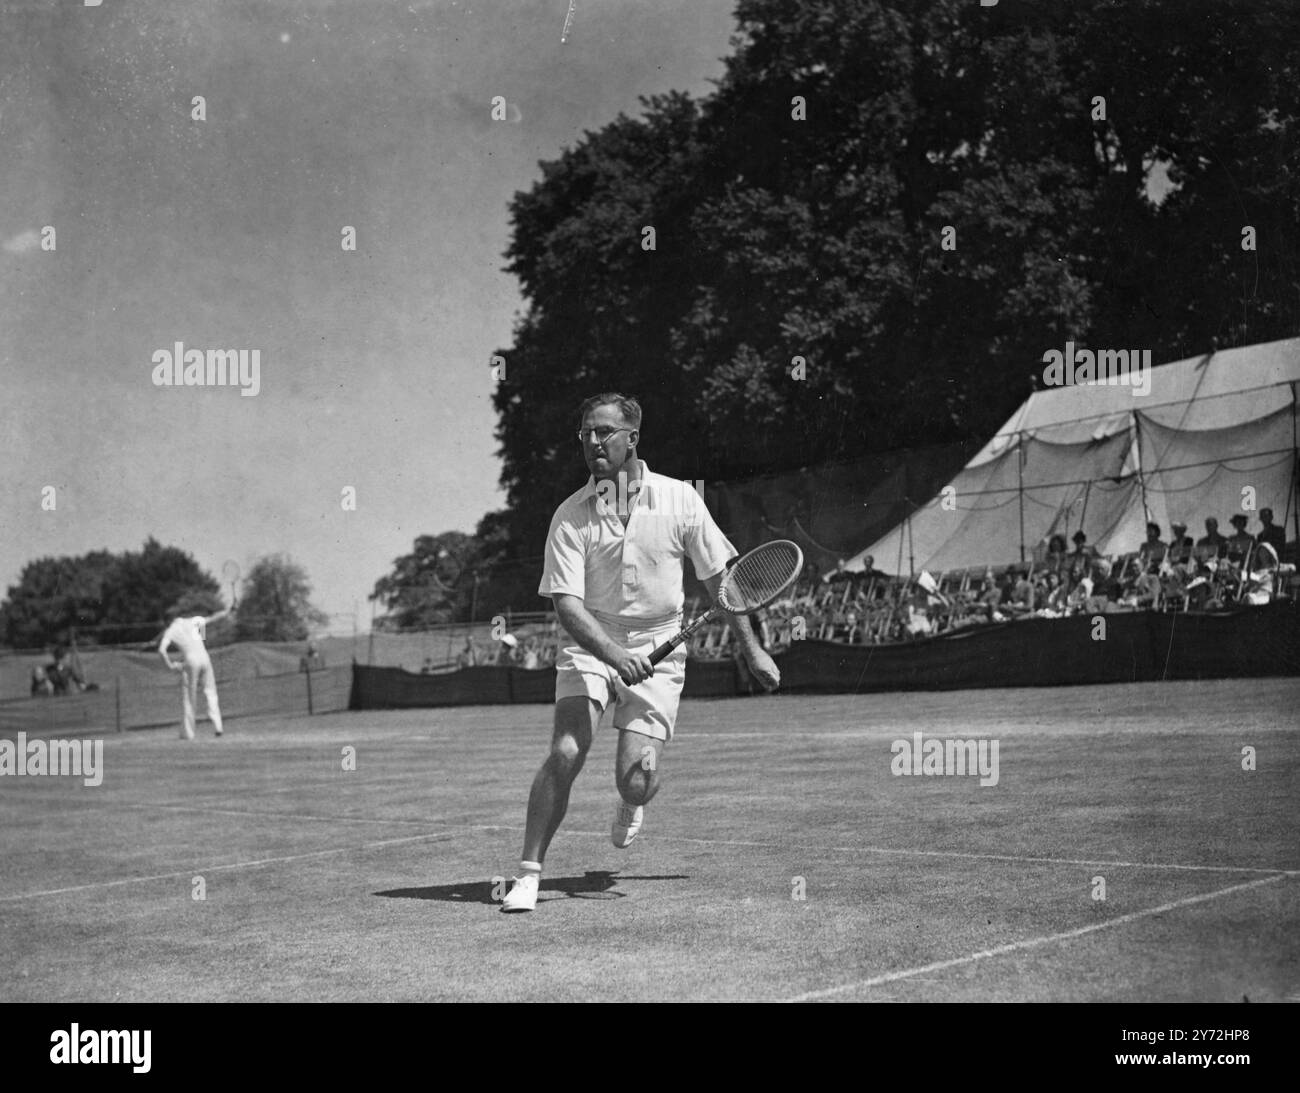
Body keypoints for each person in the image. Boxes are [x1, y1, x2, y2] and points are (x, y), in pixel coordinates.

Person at [500, 393, 778, 913]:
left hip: (661, 646)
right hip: (592, 641)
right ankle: (528, 875)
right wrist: (612, 654)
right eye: (585, 432)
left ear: (632, 438)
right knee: (566, 749)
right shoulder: (569, 515)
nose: (592, 442)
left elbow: (722, 580)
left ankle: (631, 802)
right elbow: (567, 606)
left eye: (604, 431)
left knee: (640, 777)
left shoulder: (680, 500)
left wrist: (753, 651)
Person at [159, 601, 233, 740]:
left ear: (167, 621)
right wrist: (228, 610)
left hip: (191, 660)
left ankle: (188, 733)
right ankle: (218, 727)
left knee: (189, 696)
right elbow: (214, 618)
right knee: (211, 692)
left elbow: (162, 651)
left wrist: (170, 665)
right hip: (204, 657)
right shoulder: (195, 621)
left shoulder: (171, 630)